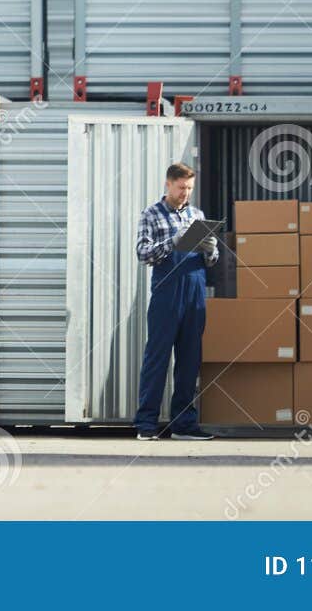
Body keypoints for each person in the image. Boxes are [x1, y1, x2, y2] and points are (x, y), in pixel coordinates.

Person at [133, 161, 218, 441]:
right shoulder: (151, 214)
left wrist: (211, 250)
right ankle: (146, 426)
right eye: (181, 188)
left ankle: (184, 426)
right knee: (157, 359)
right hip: (167, 294)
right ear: (168, 184)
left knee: (189, 361)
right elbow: (143, 254)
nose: (186, 193)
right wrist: (173, 240)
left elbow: (211, 261)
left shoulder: (197, 214)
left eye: (190, 188)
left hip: (194, 291)